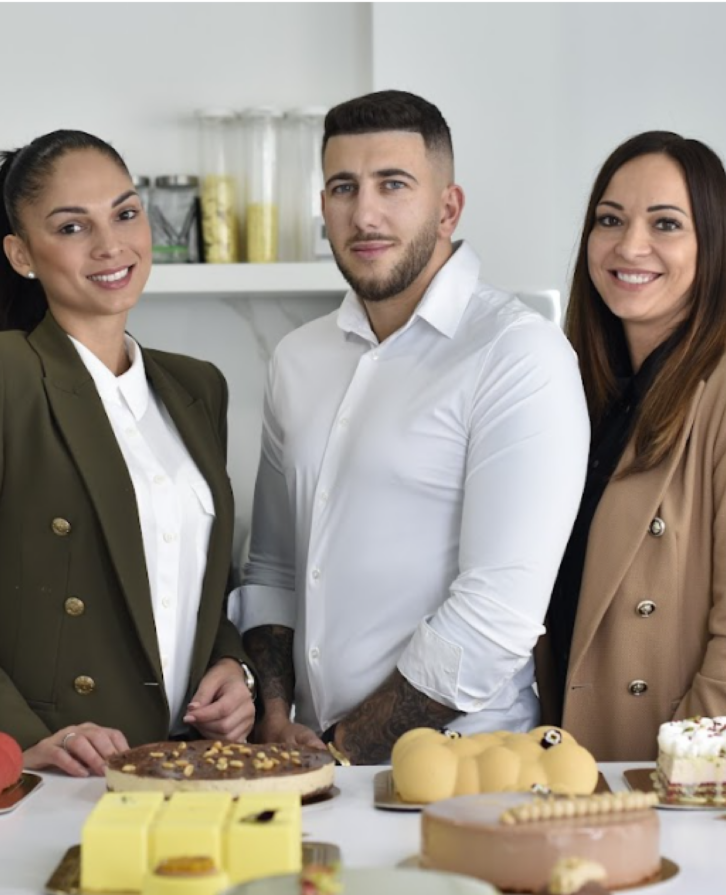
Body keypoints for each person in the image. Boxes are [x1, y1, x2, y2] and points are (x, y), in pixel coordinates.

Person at [233, 90, 589, 764]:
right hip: (306, 761)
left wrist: (344, 748)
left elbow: (496, 615)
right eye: (344, 187)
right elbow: (274, 566)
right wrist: (277, 718)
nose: (364, 213)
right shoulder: (297, 359)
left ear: (448, 207)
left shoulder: (519, 354)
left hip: (467, 767)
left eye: (392, 185)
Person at [0, 129, 255, 777]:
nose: (111, 245)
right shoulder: (9, 379)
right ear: (22, 254)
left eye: (125, 213)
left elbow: (200, 580)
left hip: (190, 762)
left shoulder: (197, 386)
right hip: (65, 771)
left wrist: (232, 667)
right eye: (71, 227)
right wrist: (21, 740)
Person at [539, 130, 726, 761]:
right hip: (566, 763)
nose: (629, 245)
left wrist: (678, 779)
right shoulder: (576, 390)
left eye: (666, 223)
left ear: (714, 246)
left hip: (670, 783)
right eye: (609, 220)